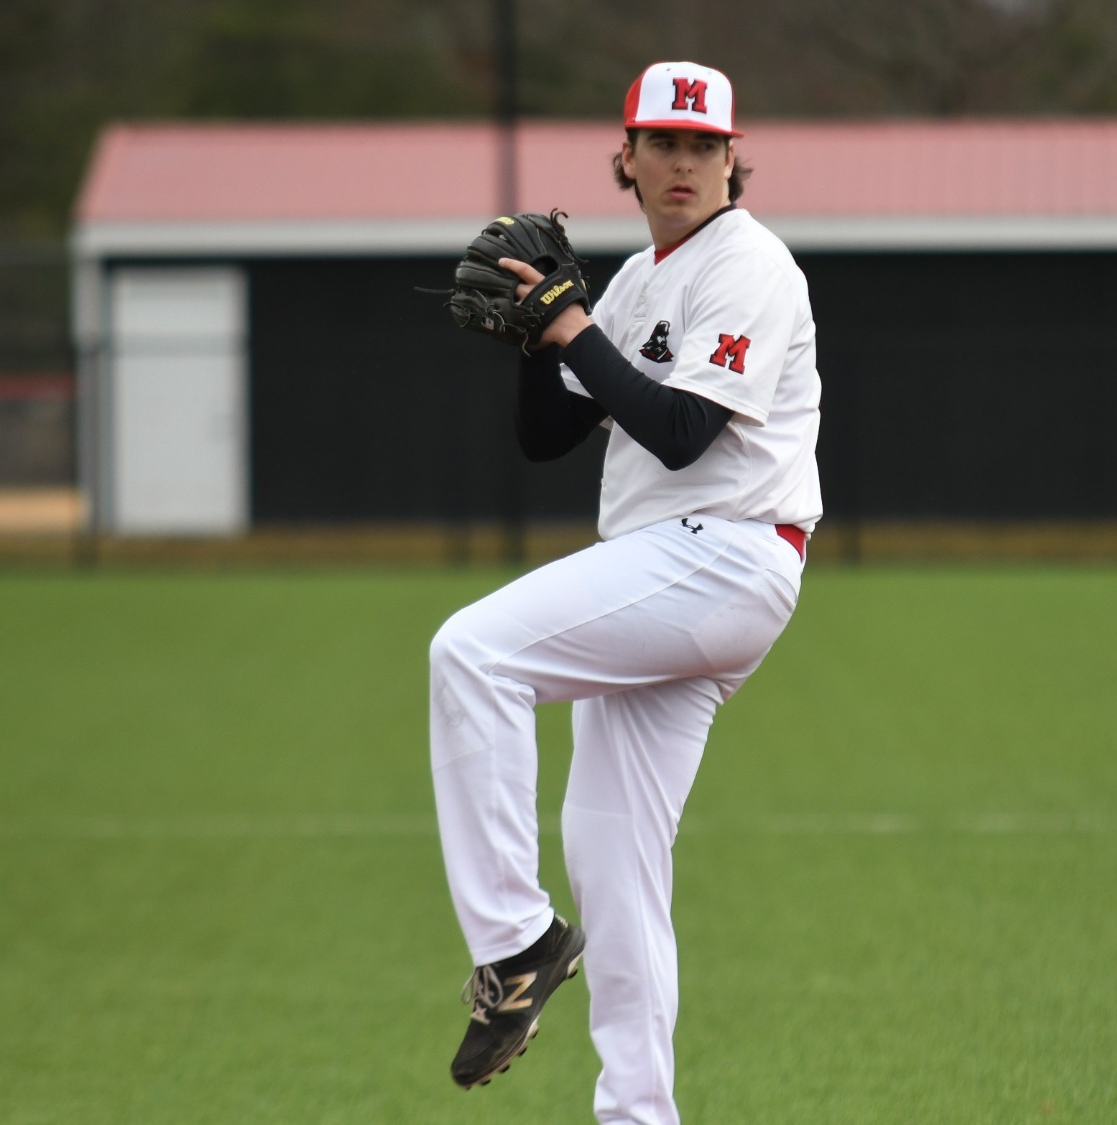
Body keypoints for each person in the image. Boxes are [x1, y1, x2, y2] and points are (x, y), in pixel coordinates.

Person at [428, 60, 821, 1124]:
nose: (683, 162)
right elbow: (546, 433)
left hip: (727, 553)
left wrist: (572, 329)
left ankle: (515, 942)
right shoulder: (640, 280)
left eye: (703, 145)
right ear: (628, 158)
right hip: (667, 577)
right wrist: (536, 335)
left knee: (471, 652)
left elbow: (685, 434)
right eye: (663, 143)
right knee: (614, 863)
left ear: (732, 160)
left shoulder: (750, 265)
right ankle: (638, 1113)